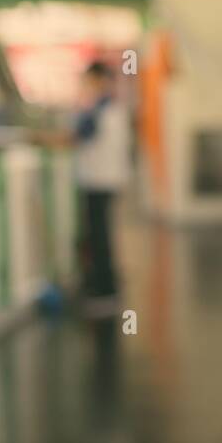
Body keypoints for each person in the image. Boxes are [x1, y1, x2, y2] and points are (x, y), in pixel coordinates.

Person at [72, 61, 130, 315]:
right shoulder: (114, 109)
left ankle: (105, 291)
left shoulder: (98, 110)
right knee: (103, 234)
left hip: (97, 180)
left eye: (90, 80)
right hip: (108, 178)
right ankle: (108, 284)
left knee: (100, 236)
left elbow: (77, 137)